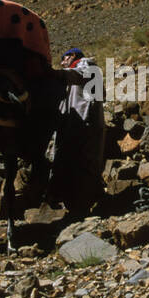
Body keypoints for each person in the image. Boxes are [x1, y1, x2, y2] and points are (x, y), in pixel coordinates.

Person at [49, 48, 106, 214]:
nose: (62, 63)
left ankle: (82, 207)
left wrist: (55, 74)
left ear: (72, 56)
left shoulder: (87, 64)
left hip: (85, 124)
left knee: (84, 164)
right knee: (78, 165)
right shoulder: (73, 75)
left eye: (64, 58)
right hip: (78, 125)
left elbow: (78, 75)